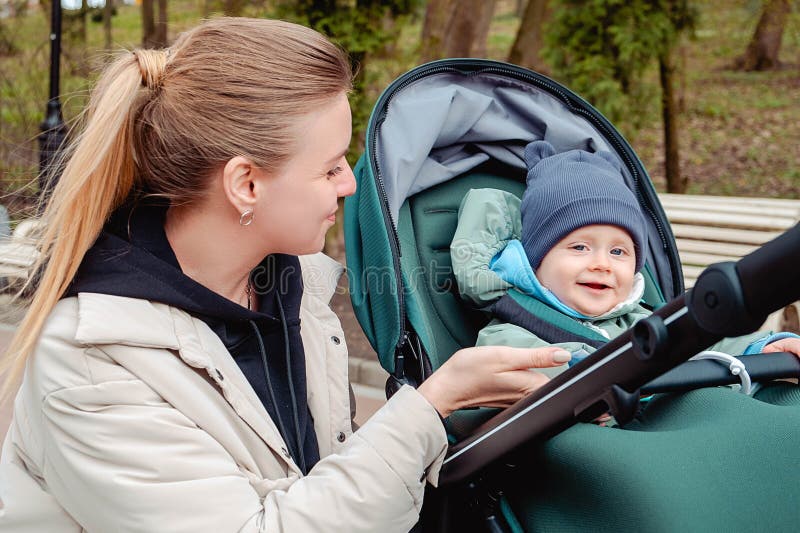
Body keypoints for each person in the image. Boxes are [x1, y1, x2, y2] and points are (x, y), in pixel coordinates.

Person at [0, 19, 572, 532]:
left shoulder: (287, 286)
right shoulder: (93, 363)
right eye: (329, 167)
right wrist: (430, 405)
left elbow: (319, 479)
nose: (349, 185)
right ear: (246, 184)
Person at [451, 140, 800, 378]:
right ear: (537, 262)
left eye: (618, 252)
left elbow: (702, 342)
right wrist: (574, 371)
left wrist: (761, 346)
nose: (602, 263)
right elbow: (505, 367)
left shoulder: (641, 321)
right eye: (579, 247)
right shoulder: (513, 328)